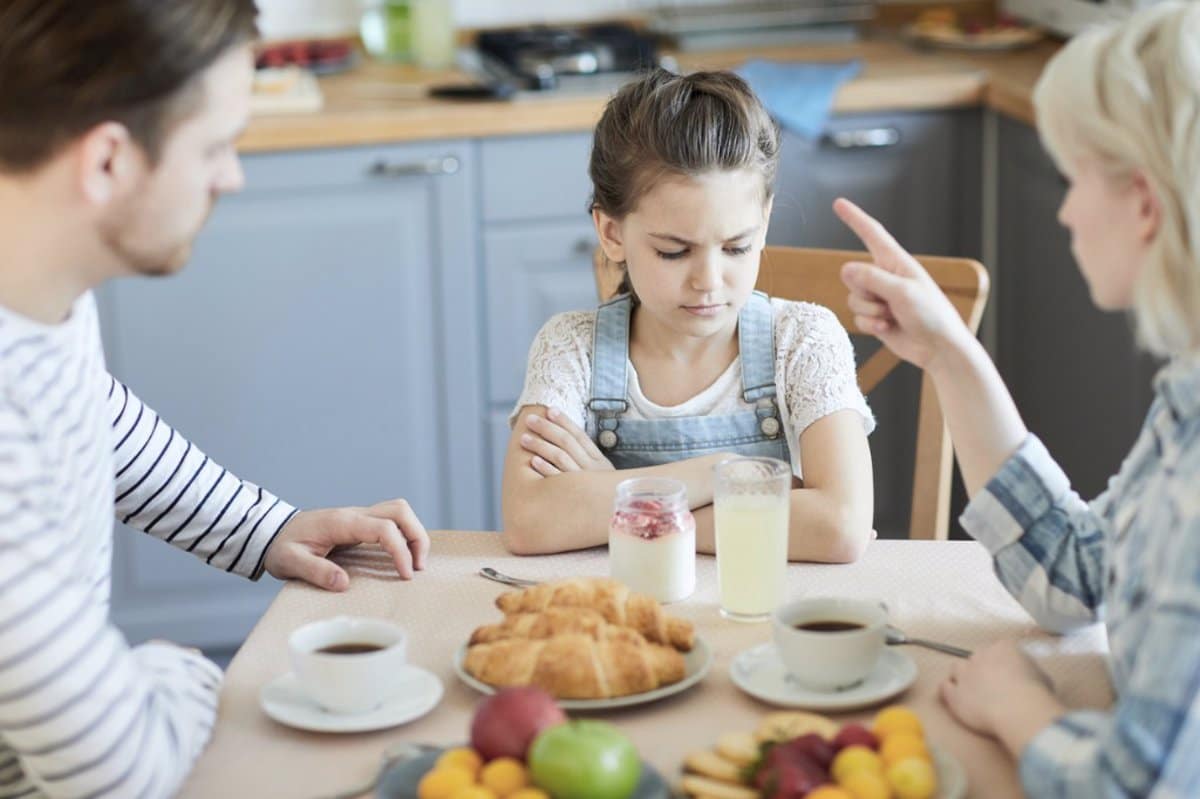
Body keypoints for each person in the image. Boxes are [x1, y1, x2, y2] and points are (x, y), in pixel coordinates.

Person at [0, 2, 430, 796]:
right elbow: (118, 771)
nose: (230, 176)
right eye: (215, 146)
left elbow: (95, 415)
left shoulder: (31, 288)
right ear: (105, 163)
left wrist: (265, 528)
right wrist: (185, 670)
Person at [835, 3, 1200, 794]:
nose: (1065, 209)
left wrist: (1018, 707)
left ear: (1144, 201)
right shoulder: (1187, 402)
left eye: (1074, 179)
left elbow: (1133, 786)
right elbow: (1074, 574)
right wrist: (950, 354)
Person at [502, 69, 875, 561]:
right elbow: (529, 521)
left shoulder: (804, 338)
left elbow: (840, 527)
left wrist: (621, 500)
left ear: (763, 223)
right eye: (675, 252)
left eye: (737, 247)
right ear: (612, 233)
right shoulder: (572, 348)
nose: (709, 280)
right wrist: (723, 472)